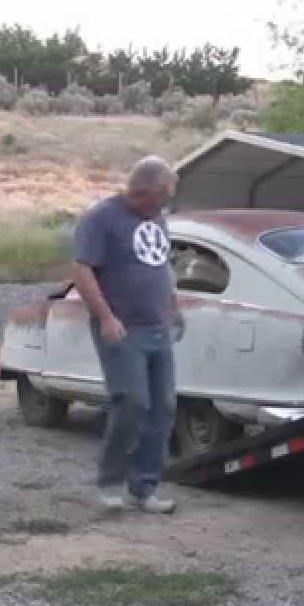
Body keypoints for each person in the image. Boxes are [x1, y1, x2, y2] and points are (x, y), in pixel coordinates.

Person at [71, 155, 183, 514]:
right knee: (132, 401)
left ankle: (145, 487)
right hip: (122, 327)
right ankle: (110, 480)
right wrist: (104, 317)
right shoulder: (101, 219)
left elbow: (161, 264)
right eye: (165, 197)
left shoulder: (156, 218)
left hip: (157, 326)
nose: (167, 204)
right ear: (146, 192)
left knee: (163, 407)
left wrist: (173, 302)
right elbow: (82, 270)